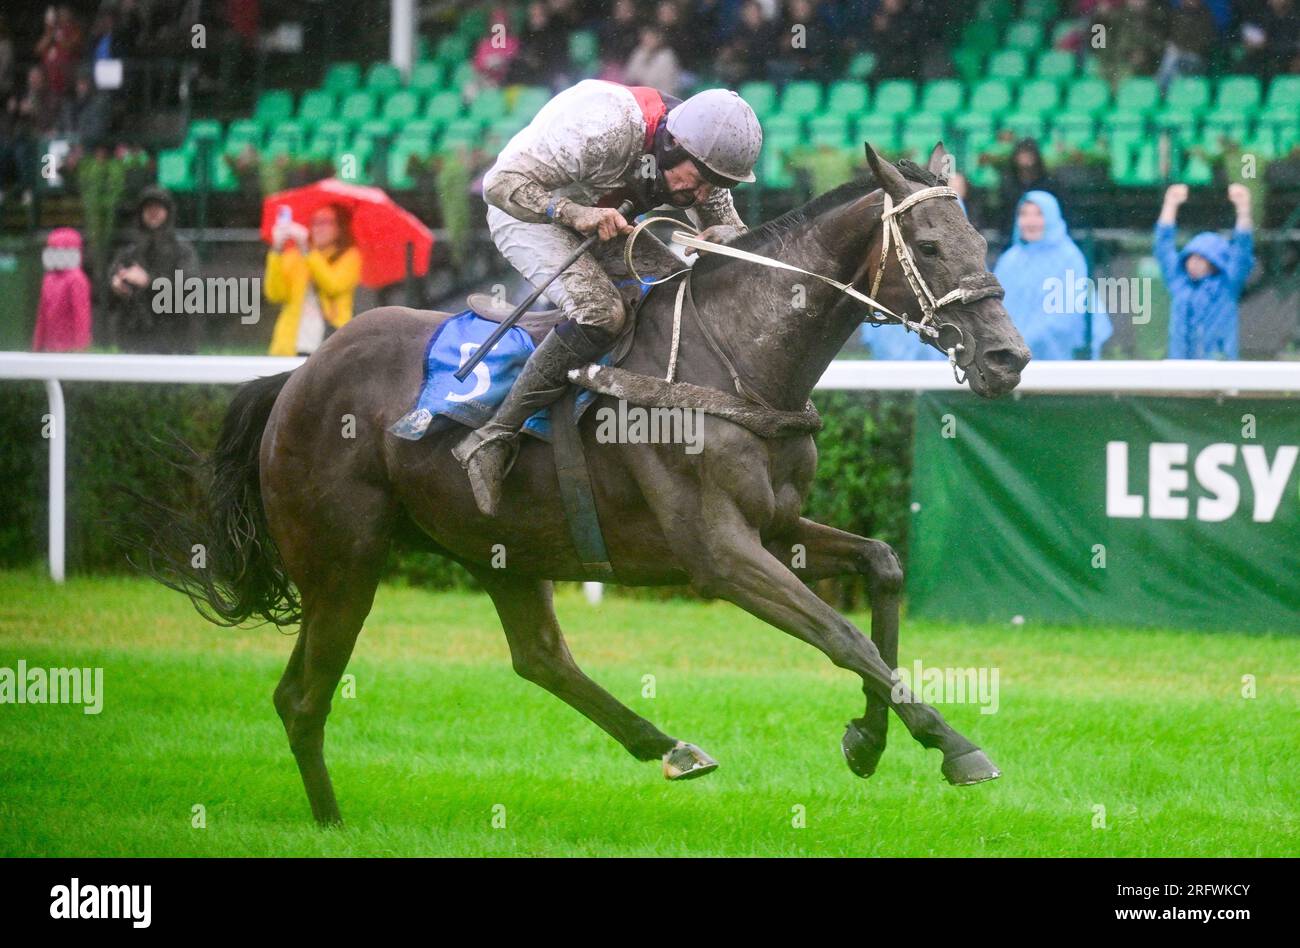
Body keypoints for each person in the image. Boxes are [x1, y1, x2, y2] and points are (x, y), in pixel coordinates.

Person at [454, 79, 762, 515]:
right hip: (527, 213)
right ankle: (492, 437)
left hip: (603, 218)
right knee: (602, 313)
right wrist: (573, 213)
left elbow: (737, 235)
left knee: (678, 292)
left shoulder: (701, 156)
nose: (703, 197)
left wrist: (731, 236)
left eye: (715, 186)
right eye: (699, 184)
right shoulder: (606, 129)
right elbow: (499, 184)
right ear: (672, 146)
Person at [993, 190, 1112, 360]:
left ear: (1052, 217)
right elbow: (995, 310)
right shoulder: (1010, 259)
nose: (1030, 221)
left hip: (1059, 363)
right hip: (1008, 361)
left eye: (1039, 214)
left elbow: (1068, 315)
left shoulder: (1069, 257)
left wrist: (1026, 342)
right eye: (1024, 214)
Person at [1155, 183, 1254, 359]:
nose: (1193, 263)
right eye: (1190, 257)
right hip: (1182, 370)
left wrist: (1243, 209)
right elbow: (1163, 247)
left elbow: (1242, 250)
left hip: (1220, 370)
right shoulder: (1179, 282)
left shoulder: (1227, 285)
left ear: (1215, 262)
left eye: (1201, 258)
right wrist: (1170, 204)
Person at [106, 185, 200, 353]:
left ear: (168, 212)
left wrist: (149, 282)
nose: (153, 212)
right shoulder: (129, 252)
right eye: (148, 208)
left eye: (158, 207)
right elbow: (109, 290)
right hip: (135, 340)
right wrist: (116, 286)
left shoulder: (182, 251)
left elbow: (189, 289)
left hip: (173, 341)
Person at [264, 202, 362, 357]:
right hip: (291, 343)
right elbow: (275, 294)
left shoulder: (350, 257)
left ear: (340, 227)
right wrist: (276, 250)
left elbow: (333, 285)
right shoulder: (295, 256)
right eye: (315, 222)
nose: (318, 228)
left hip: (328, 343)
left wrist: (308, 250)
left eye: (325, 222)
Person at [32, 227, 91, 352]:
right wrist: (37, 345)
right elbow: (42, 313)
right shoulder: (48, 278)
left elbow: (81, 315)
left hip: (69, 349)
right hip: (50, 347)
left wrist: (81, 348)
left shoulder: (77, 279)